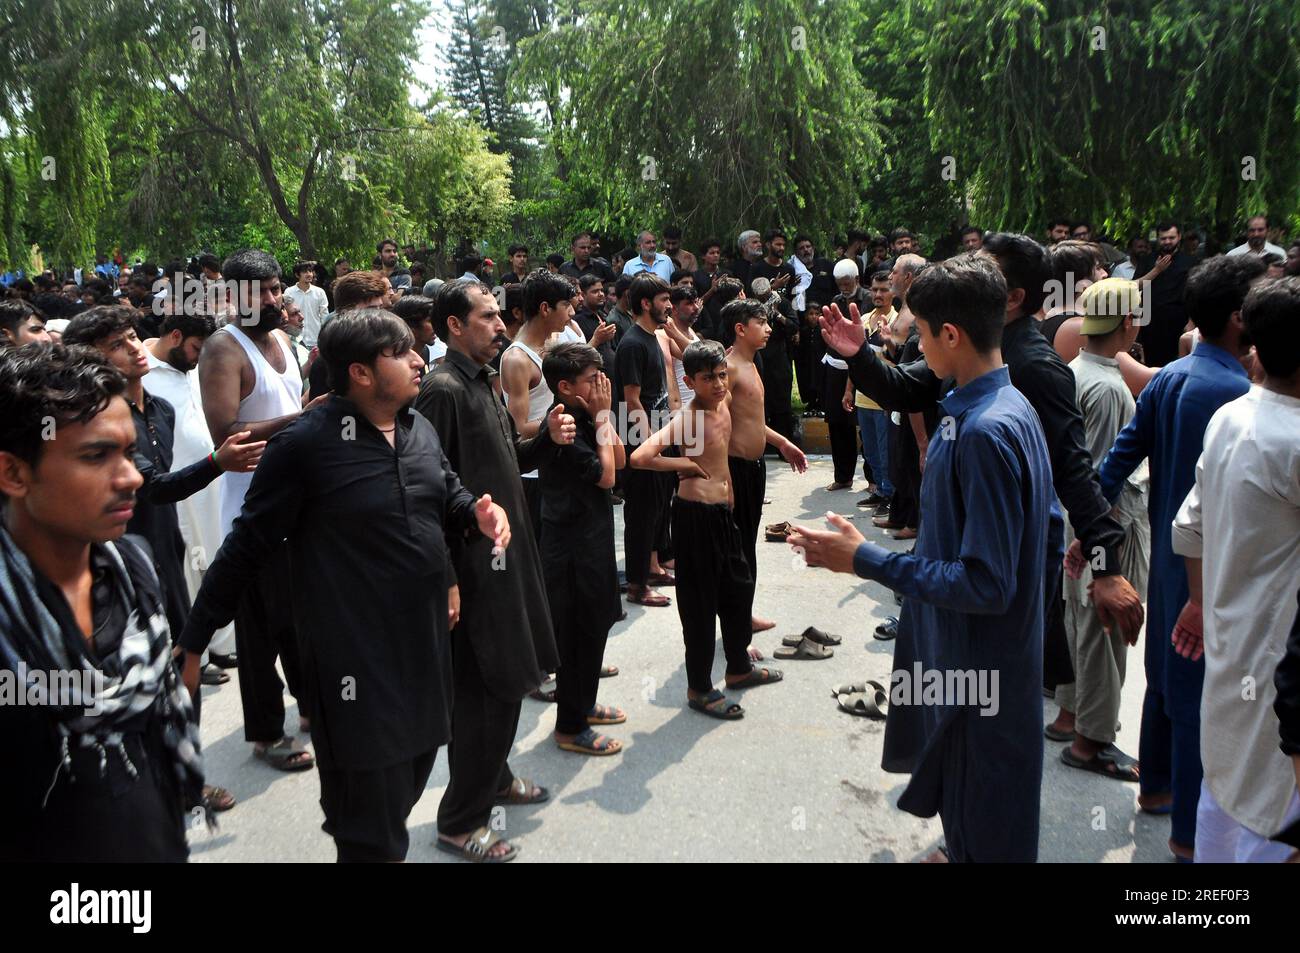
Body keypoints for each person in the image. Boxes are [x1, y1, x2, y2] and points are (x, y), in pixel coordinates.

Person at [180, 310, 509, 862]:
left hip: (426, 653)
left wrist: (475, 514)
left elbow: (446, 495)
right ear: (359, 373)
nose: (416, 361)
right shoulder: (304, 446)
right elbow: (244, 549)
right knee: (369, 830)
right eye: (400, 352)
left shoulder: (416, 426)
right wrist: (194, 641)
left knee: (403, 792)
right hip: (353, 667)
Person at [791, 255, 1055, 863]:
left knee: (989, 812)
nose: (912, 343)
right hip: (969, 660)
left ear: (951, 335)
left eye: (920, 331)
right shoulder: (997, 406)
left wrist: (866, 560)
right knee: (965, 801)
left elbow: (986, 582)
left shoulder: (987, 430)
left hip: (979, 670)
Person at [823, 234, 1146, 691]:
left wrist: (1106, 564)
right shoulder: (964, 356)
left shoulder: (1029, 374)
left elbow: (1073, 472)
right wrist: (858, 355)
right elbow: (904, 387)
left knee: (988, 698)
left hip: (988, 586)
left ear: (1009, 298)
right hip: (951, 571)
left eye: (983, 272)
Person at [1093, 253, 1267, 860]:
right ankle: (1190, 836)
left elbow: (1118, 458)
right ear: (1242, 319)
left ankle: (1157, 788)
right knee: (1198, 696)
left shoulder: (1169, 378)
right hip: (1207, 570)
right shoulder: (1235, 395)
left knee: (1164, 682)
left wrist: (1088, 533)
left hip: (1169, 564)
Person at [0, 344, 204, 862]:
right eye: (95, 456)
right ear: (14, 473)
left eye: (128, 452)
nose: (132, 477)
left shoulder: (131, 567)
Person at [413, 278, 570, 862]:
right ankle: (459, 819)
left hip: (510, 558)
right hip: (476, 571)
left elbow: (508, 462)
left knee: (511, 679)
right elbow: (430, 492)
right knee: (487, 691)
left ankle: (496, 780)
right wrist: (451, 575)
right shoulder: (442, 390)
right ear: (453, 324)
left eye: (499, 315)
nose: (500, 325)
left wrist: (548, 439)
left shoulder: (481, 381)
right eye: (486, 317)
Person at [1170, 276, 1300, 863]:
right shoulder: (1292, 440)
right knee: (1269, 814)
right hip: (1277, 661)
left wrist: (1200, 603)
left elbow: (1187, 527)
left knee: (1222, 796)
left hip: (1231, 650)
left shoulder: (1232, 416)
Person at [196, 249, 316, 772]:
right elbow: (226, 436)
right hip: (251, 512)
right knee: (260, 626)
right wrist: (302, 420)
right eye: (260, 292)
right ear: (231, 295)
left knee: (302, 615)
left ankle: (313, 706)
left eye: (275, 288)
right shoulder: (224, 350)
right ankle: (266, 734)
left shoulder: (285, 341)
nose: (273, 299)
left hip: (299, 506)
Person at [633, 339, 784, 719]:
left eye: (721, 376)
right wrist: (685, 466)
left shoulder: (724, 403)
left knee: (738, 587)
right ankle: (699, 687)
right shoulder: (689, 418)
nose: (718, 384)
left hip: (722, 514)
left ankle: (738, 668)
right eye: (707, 379)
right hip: (694, 516)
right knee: (699, 606)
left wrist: (730, 488)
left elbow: (725, 451)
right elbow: (640, 456)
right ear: (689, 380)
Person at [1051, 279, 1150, 781]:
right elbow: (1102, 481)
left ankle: (1070, 716)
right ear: (1128, 323)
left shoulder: (1074, 372)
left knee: (1081, 624)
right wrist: (1099, 546)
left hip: (1082, 526)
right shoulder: (1110, 387)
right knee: (1106, 629)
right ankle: (1093, 742)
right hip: (1109, 527)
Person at [539, 342, 626, 756]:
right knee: (576, 635)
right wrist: (605, 417)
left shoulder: (588, 417)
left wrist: (604, 417)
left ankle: (584, 705)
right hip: (571, 545)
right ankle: (570, 727)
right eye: (593, 380)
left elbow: (621, 461)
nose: (602, 386)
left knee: (596, 624)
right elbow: (607, 478)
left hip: (593, 537)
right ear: (565, 386)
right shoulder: (563, 426)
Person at [724, 298, 807, 635]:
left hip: (755, 467)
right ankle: (736, 626)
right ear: (740, 329)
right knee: (736, 550)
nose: (770, 328)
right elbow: (716, 427)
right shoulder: (728, 369)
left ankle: (744, 614)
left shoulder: (752, 362)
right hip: (735, 469)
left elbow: (750, 420)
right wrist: (723, 477)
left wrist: (782, 443)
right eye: (762, 322)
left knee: (747, 546)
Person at [615, 273, 677, 607]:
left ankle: (653, 568)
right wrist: (650, 444)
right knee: (641, 514)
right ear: (645, 303)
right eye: (664, 301)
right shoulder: (633, 343)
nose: (669, 306)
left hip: (658, 433)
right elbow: (632, 400)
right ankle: (638, 585)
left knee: (658, 507)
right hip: (640, 440)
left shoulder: (653, 337)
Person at [500, 269, 576, 536]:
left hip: (558, 463)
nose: (572, 313)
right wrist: (558, 422)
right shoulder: (517, 359)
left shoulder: (553, 342)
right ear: (545, 308)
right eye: (566, 305)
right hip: (534, 476)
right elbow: (518, 427)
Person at [848, 269, 896, 511]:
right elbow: (854, 359)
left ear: (893, 291)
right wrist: (848, 390)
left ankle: (890, 495)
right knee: (871, 451)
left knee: (887, 452)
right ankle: (878, 489)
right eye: (875, 289)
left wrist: (888, 339)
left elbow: (900, 360)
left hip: (885, 399)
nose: (878, 294)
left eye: (884, 289)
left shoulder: (899, 320)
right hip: (863, 398)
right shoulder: (864, 319)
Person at [822, 259, 869, 491]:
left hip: (862, 367)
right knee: (837, 421)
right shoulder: (835, 301)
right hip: (835, 366)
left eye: (847, 283)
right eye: (840, 284)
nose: (843, 288)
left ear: (857, 280)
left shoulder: (869, 299)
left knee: (865, 421)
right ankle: (843, 476)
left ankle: (873, 479)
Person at [1134, 221, 1192, 368]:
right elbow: (1134, 287)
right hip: (1150, 324)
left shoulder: (1190, 262)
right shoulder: (1147, 260)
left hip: (1177, 323)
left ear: (1179, 237)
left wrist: (1190, 322)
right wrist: (1156, 270)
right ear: (1158, 239)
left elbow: (1194, 293)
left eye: (1171, 238)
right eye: (1163, 238)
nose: (1167, 242)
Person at [284, 260, 330, 350]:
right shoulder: (289, 292)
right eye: (305, 272)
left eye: (310, 271)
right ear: (297, 275)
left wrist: (324, 338)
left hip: (316, 341)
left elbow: (324, 316)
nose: (309, 274)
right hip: (296, 341)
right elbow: (287, 316)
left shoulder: (319, 292)